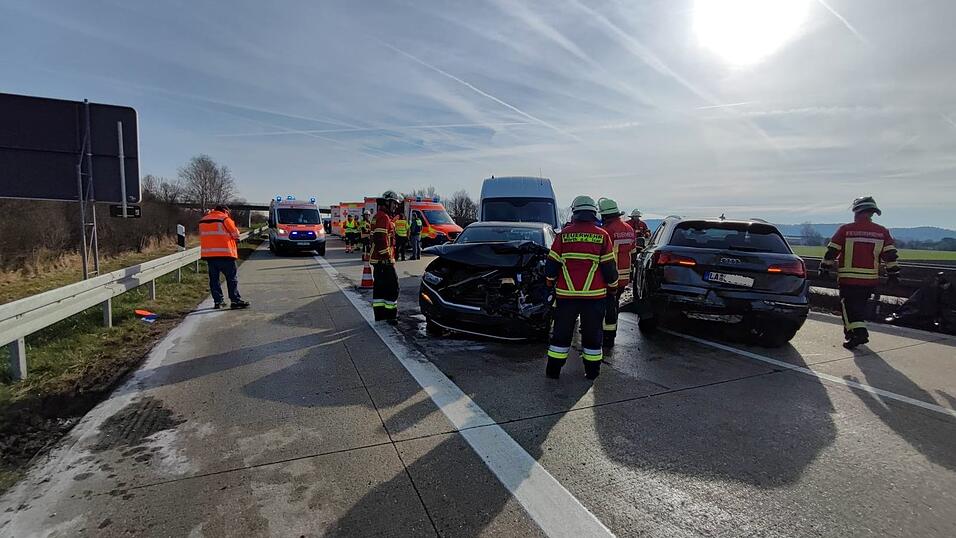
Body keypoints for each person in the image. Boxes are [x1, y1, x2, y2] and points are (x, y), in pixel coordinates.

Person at [544, 195, 618, 380]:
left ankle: (553, 371)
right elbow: (609, 269)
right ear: (594, 213)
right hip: (594, 297)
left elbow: (551, 265)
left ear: (575, 212)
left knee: (561, 334)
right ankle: (592, 373)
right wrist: (613, 287)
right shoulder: (602, 236)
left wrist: (550, 281)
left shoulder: (563, 235)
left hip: (566, 297)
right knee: (593, 336)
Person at [819, 196, 901, 349]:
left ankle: (859, 333)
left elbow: (832, 251)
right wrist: (893, 275)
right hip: (870, 280)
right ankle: (852, 335)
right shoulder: (882, 232)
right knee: (858, 307)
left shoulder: (846, 229)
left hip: (848, 279)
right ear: (872, 212)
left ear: (856, 211)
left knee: (848, 308)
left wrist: (824, 268)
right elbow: (890, 256)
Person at [598, 197, 636, 348]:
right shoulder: (629, 229)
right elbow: (633, 253)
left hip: (609, 275)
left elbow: (601, 255)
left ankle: (606, 337)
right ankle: (611, 334)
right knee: (614, 304)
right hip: (624, 275)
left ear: (605, 215)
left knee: (607, 306)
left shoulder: (606, 231)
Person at [199, 205, 250, 310]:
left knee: (214, 280)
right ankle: (235, 300)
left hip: (210, 255)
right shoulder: (225, 219)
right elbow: (236, 234)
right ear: (225, 211)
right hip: (226, 254)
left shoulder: (203, 220)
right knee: (231, 279)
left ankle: (218, 301)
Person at [371, 191, 402, 322]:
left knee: (380, 290)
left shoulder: (381, 216)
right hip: (383, 261)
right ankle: (390, 316)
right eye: (394, 204)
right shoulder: (383, 217)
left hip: (379, 260)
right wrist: (387, 258)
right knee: (393, 288)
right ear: (387, 202)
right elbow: (381, 239)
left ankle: (380, 315)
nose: (395, 207)